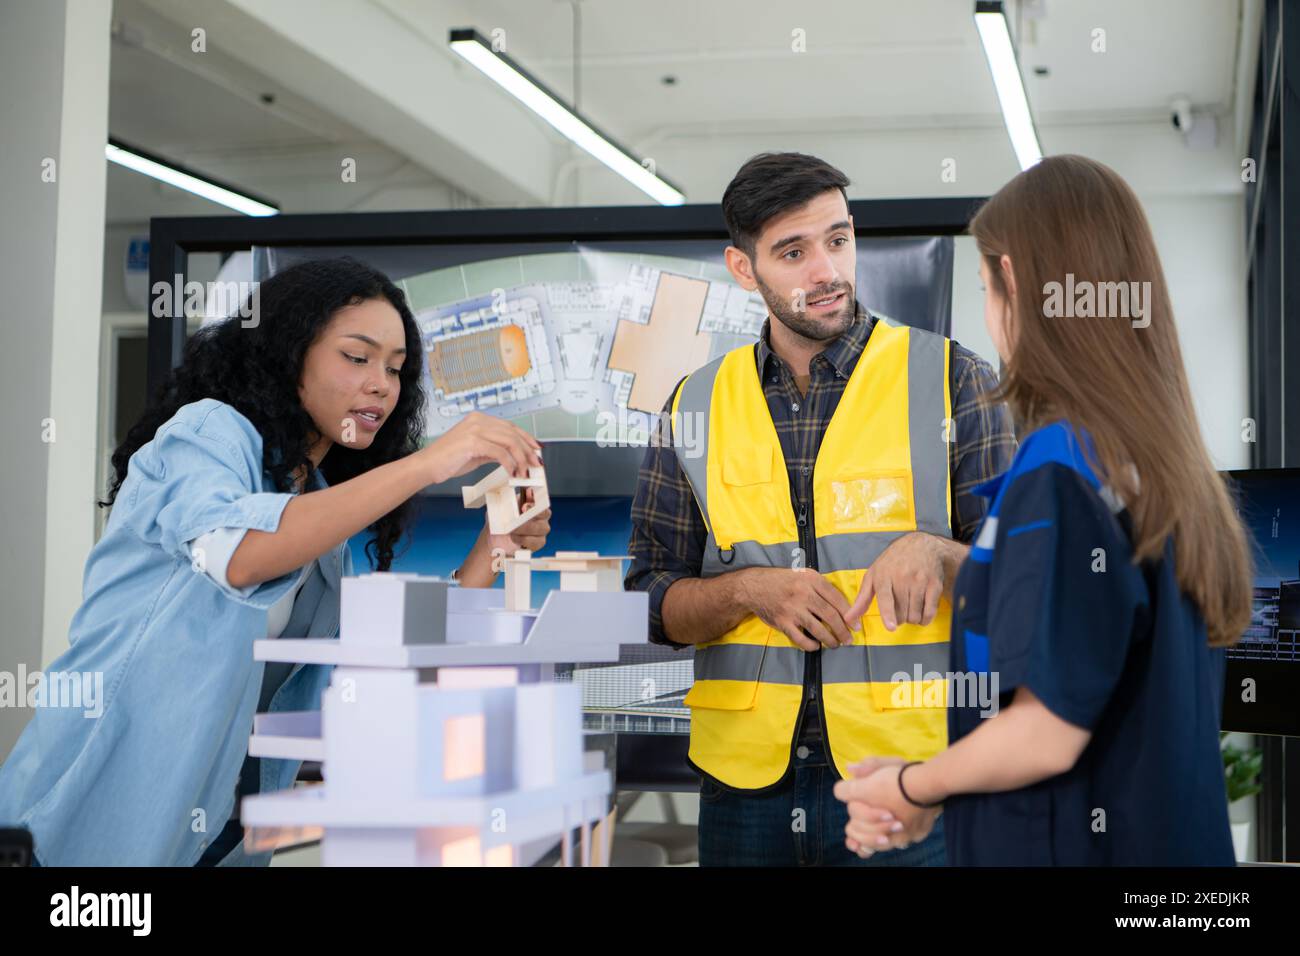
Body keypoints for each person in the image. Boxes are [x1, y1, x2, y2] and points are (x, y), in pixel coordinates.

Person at [0, 257, 549, 866]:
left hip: (220, 834)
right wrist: (428, 463)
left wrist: (496, 547)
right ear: (291, 353)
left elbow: (377, 670)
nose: (382, 385)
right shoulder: (209, 435)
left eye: (395, 369)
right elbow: (238, 555)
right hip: (92, 821)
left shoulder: (312, 503)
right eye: (357, 357)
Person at [834, 154, 1252, 866]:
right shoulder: (1161, 463)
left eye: (985, 289)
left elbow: (1047, 730)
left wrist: (911, 784)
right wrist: (937, 797)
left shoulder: (1060, 466)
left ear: (1016, 284)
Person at [625, 152, 1016, 866]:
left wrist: (939, 552)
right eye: (794, 252)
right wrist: (745, 591)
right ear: (743, 269)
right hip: (744, 787)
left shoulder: (952, 378)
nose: (825, 271)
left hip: (905, 777)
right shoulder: (693, 405)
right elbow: (652, 599)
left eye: (838, 240)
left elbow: (1023, 573)